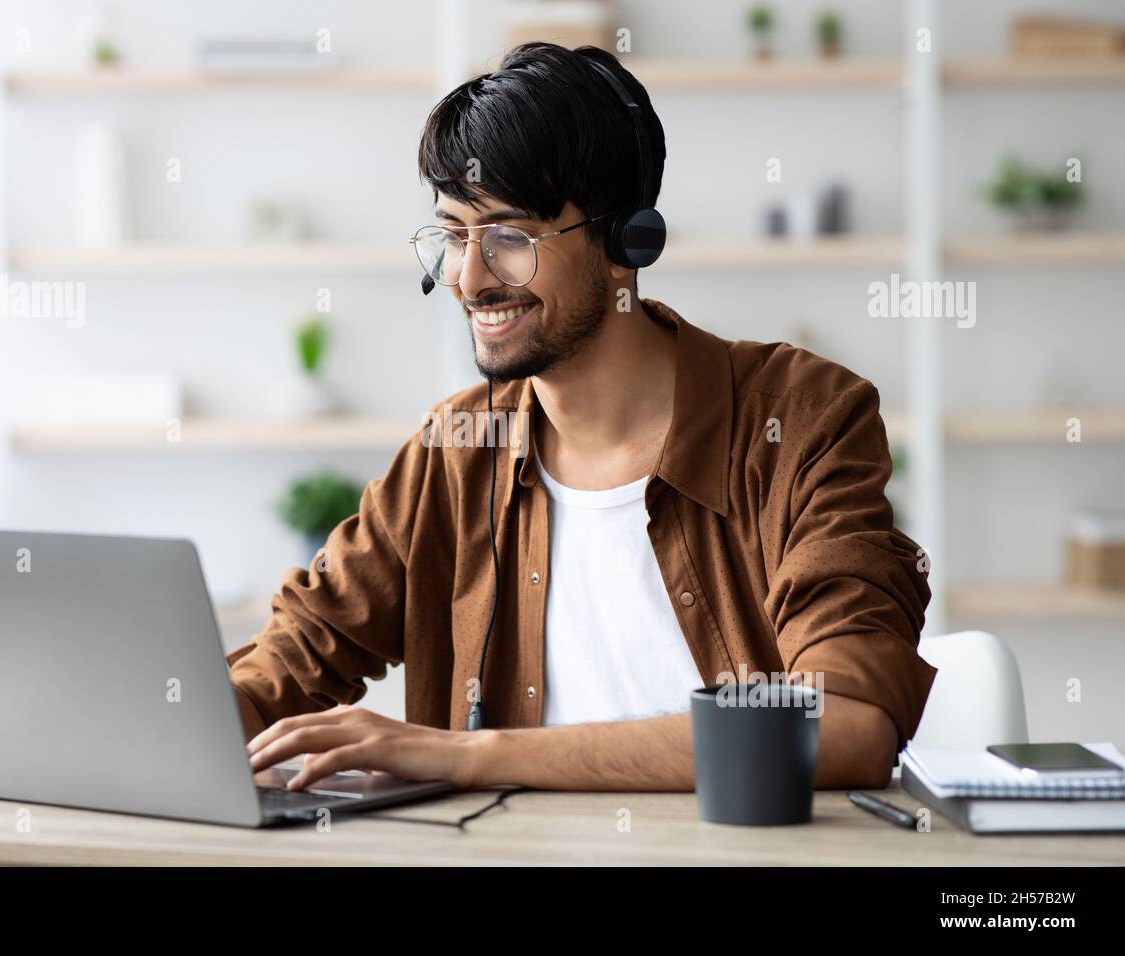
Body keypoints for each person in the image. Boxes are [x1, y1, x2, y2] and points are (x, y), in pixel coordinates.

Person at [232, 43, 936, 793]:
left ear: (627, 243)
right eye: (454, 237)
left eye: (508, 238)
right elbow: (296, 657)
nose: (470, 280)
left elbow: (847, 725)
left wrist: (469, 757)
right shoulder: (457, 446)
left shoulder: (801, 420)